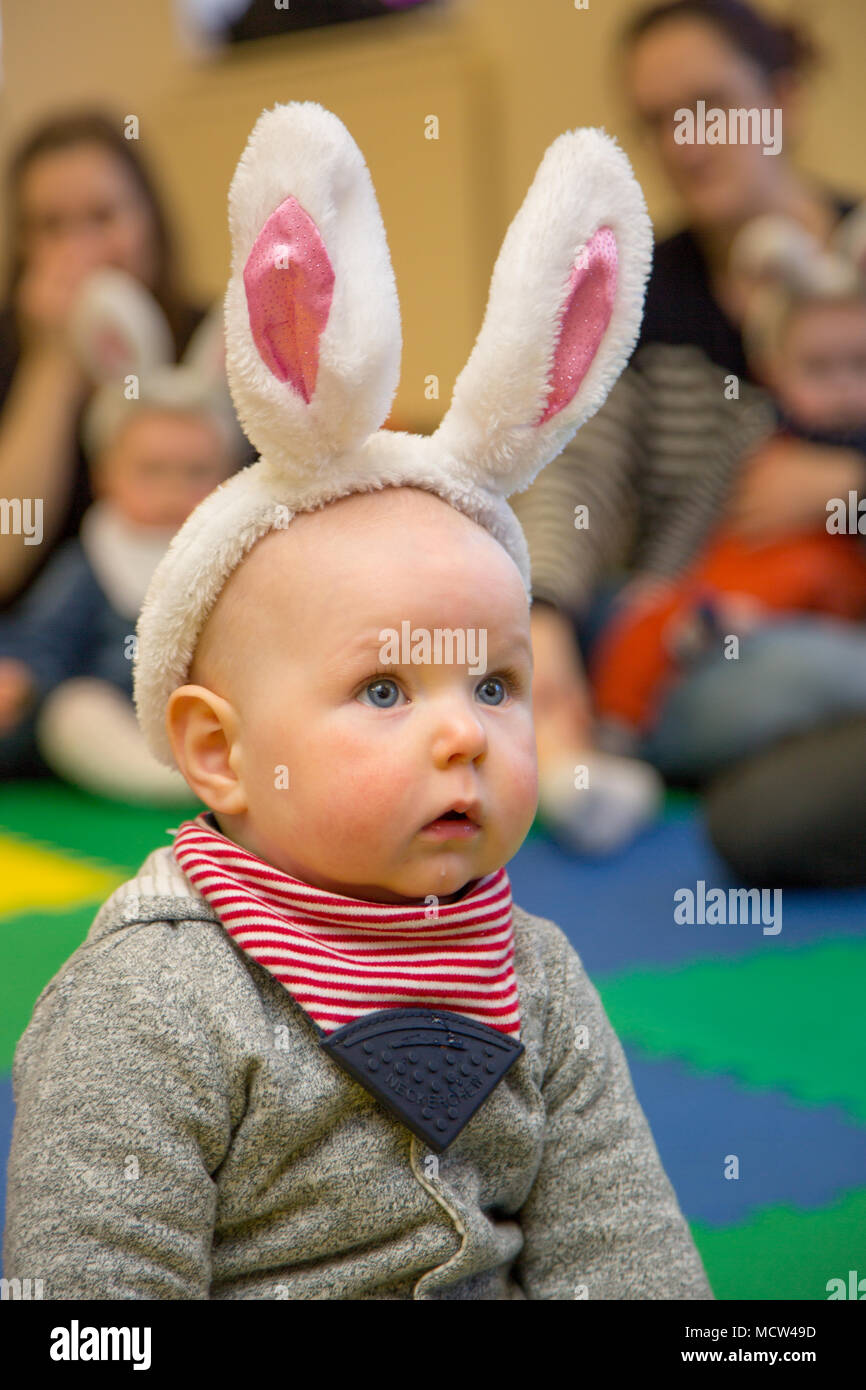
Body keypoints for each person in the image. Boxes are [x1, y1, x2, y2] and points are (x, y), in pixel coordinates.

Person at [3, 102, 712, 1300]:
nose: (463, 734)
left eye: (494, 685)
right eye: (384, 687)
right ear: (218, 754)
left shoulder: (531, 975)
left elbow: (626, 1254)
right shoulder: (147, 1004)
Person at [511, 0, 865, 797]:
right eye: (659, 120)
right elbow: (578, 470)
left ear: (784, 103)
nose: (684, 143)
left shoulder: (856, 264)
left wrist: (850, 488)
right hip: (684, 634)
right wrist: (544, 614)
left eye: (711, 108)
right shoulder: (642, 291)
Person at [589, 209, 866, 779]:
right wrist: (663, 581)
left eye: (859, 366)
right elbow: (701, 509)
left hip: (834, 605)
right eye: (818, 369)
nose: (842, 387)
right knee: (641, 622)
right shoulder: (753, 431)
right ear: (774, 369)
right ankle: (616, 739)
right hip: (745, 580)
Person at [0, 267, 243, 794]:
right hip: (113, 717)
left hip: (210, 715)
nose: (174, 492)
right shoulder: (95, 559)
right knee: (72, 713)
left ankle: (223, 764)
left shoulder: (235, 555)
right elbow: (46, 634)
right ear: (106, 476)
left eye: (195, 472)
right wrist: (19, 672)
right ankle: (161, 782)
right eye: (153, 471)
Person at [0, 110, 243, 609]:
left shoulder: (211, 341)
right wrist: (53, 366)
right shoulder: (13, 353)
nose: (80, 250)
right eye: (52, 227)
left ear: (149, 221)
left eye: (102, 217)